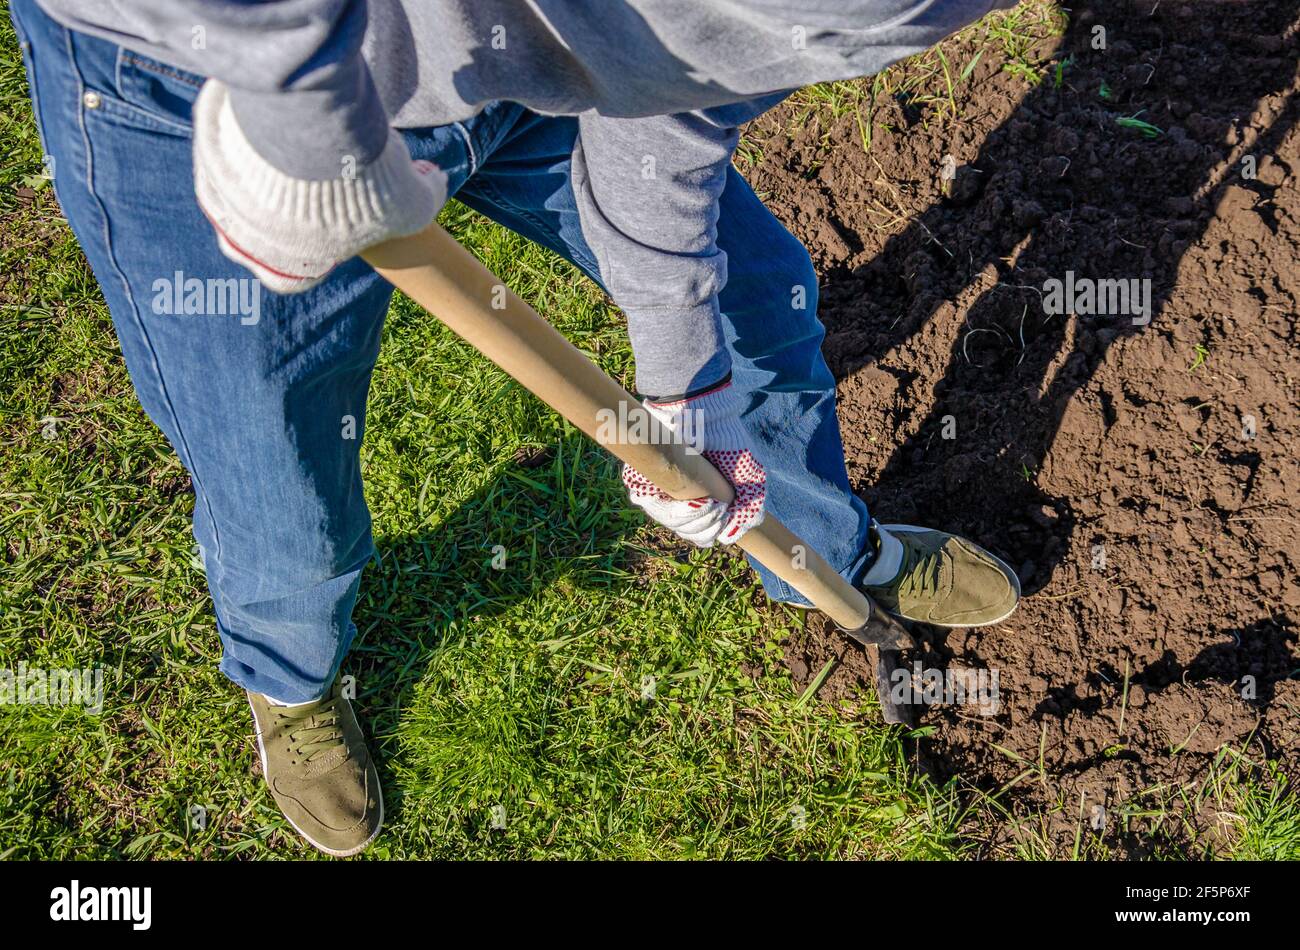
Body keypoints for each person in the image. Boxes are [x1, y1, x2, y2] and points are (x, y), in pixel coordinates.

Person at [12, 0, 1022, 855]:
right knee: (275, 460)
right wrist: (299, 112)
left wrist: (681, 372)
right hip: (203, 79)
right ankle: (292, 673)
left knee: (751, 303)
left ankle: (830, 556)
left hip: (525, 59)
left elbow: (683, 89)